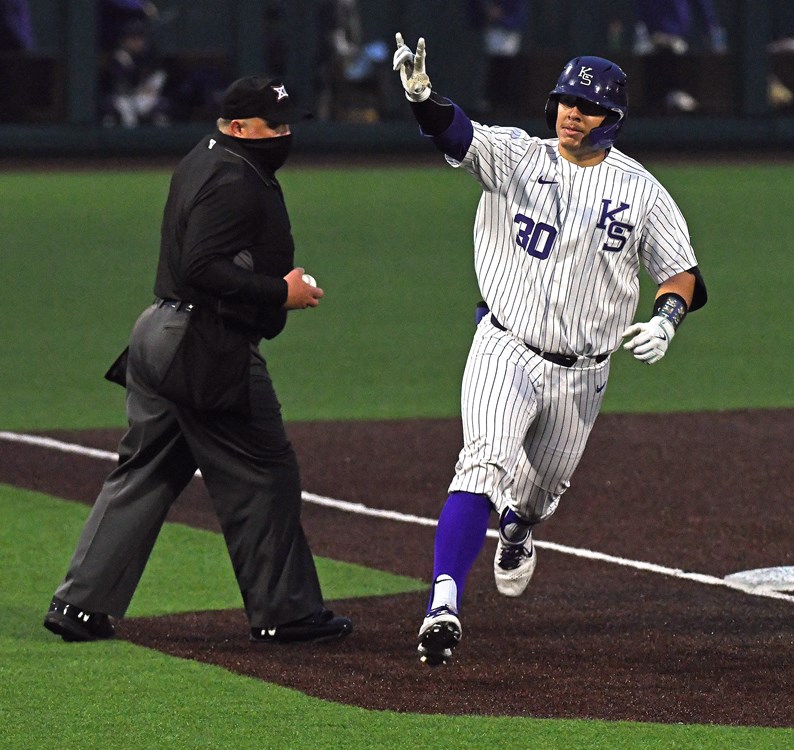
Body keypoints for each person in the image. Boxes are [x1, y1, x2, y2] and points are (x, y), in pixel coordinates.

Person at [393, 34, 707, 666]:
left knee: (537, 496)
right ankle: (443, 602)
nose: (572, 114)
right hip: (504, 347)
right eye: (566, 101)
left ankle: (518, 528)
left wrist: (668, 319)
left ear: (612, 120)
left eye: (587, 107)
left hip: (584, 374)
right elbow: (456, 137)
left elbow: (684, 274)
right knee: (479, 464)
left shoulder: (641, 191)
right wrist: (424, 97)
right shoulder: (514, 156)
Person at [43, 76, 353, 646]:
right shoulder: (233, 177)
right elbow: (202, 268)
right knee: (265, 471)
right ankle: (284, 613)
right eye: (273, 126)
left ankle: (79, 605)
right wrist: (277, 293)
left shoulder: (204, 158)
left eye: (288, 123)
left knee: (147, 470)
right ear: (238, 127)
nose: (285, 135)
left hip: (160, 332)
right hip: (203, 342)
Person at [99, 18, 172, 127]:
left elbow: (158, 78)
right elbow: (118, 86)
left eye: (140, 38)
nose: (137, 42)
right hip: (121, 99)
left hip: (144, 98)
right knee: (110, 109)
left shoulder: (149, 57)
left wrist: (150, 88)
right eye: (133, 38)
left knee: (162, 107)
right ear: (124, 40)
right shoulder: (118, 58)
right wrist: (126, 67)